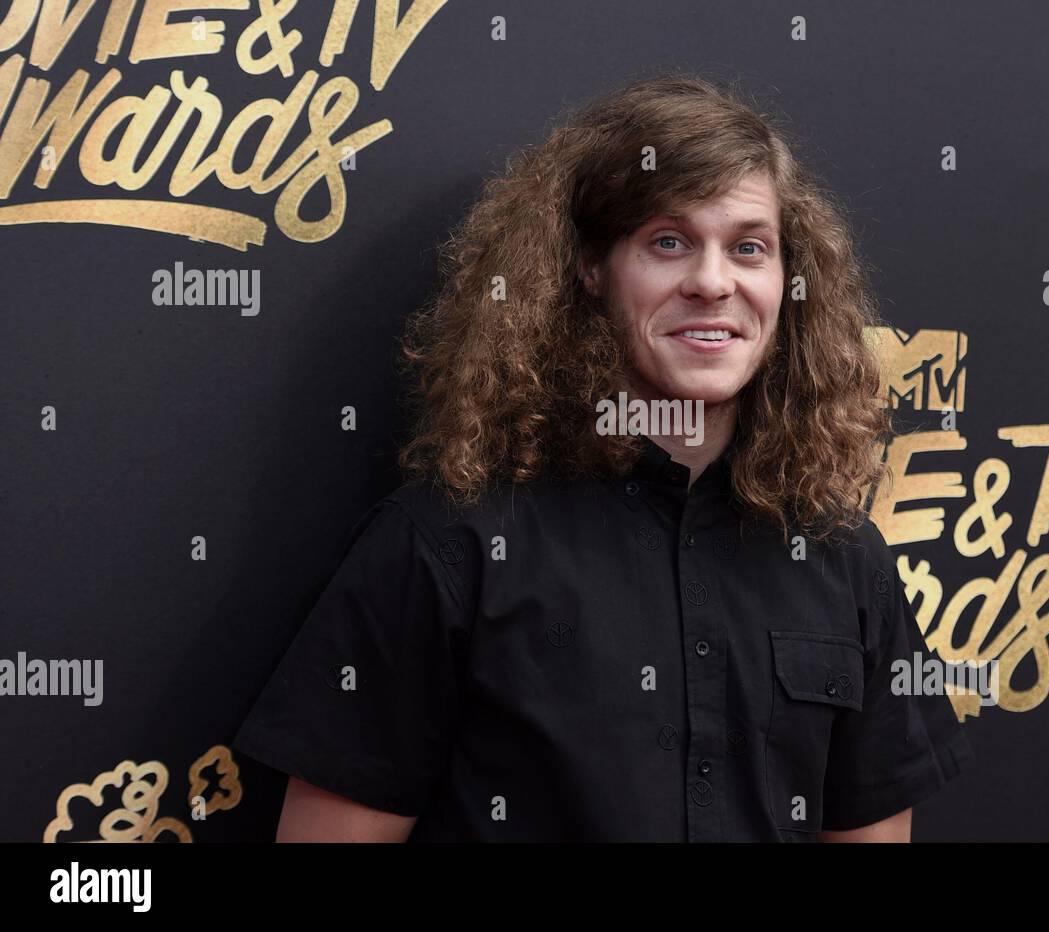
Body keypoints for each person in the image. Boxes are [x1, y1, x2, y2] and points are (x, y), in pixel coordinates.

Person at [232, 72, 973, 842]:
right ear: (590, 268)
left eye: (748, 247)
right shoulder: (450, 544)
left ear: (786, 281)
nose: (713, 282)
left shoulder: (843, 557)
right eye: (668, 242)